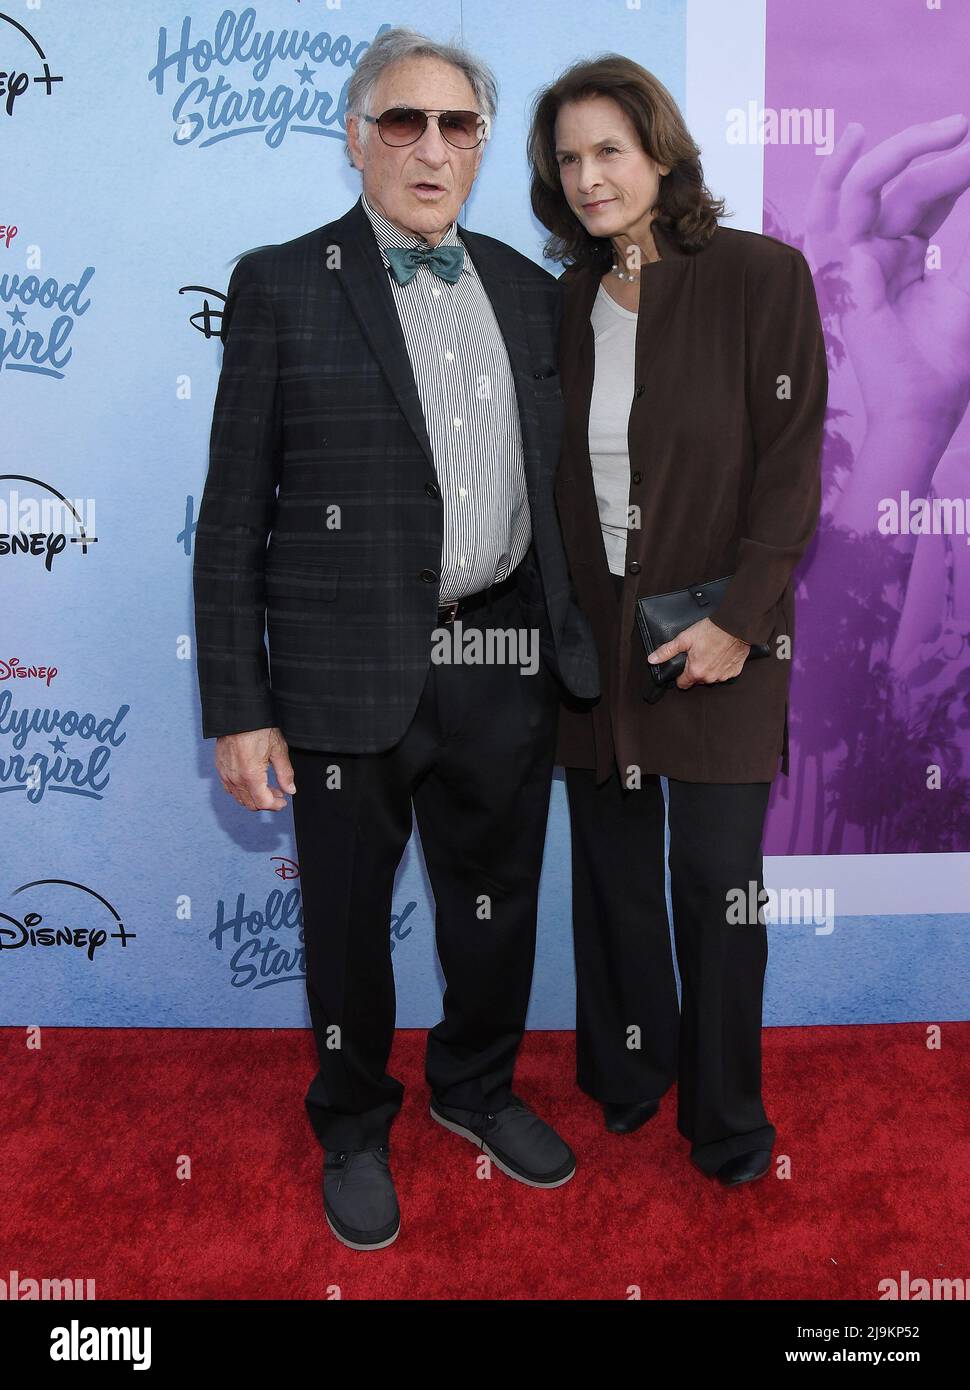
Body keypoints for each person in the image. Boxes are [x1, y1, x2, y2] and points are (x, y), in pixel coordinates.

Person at [192, 27, 599, 1251]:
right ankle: (354, 1121)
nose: (430, 148)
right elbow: (233, 513)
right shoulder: (279, 284)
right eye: (402, 122)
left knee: (496, 905)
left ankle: (475, 1087)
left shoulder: (528, 290)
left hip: (503, 660)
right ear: (356, 138)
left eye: (456, 125)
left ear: (481, 144)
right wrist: (239, 705)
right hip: (342, 672)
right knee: (345, 920)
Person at [527, 56, 828, 1184]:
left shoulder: (760, 276)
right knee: (611, 873)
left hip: (722, 630)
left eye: (609, 150)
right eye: (569, 159)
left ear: (660, 152)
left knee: (716, 883)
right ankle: (627, 1073)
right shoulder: (566, 300)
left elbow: (791, 469)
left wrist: (739, 622)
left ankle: (728, 1118)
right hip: (599, 633)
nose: (589, 178)